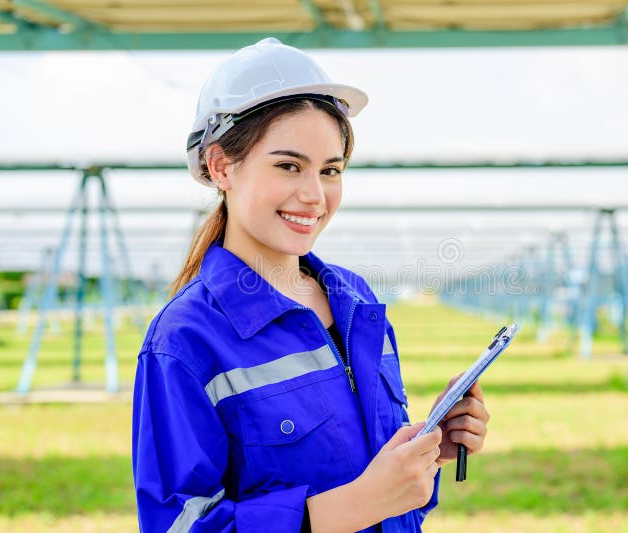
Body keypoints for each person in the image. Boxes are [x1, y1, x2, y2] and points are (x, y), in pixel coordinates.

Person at [132, 37, 490, 533]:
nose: (314, 195)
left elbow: (379, 489)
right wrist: (350, 508)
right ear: (221, 166)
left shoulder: (356, 301)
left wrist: (424, 452)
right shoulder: (186, 340)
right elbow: (179, 525)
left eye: (331, 170)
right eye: (288, 166)